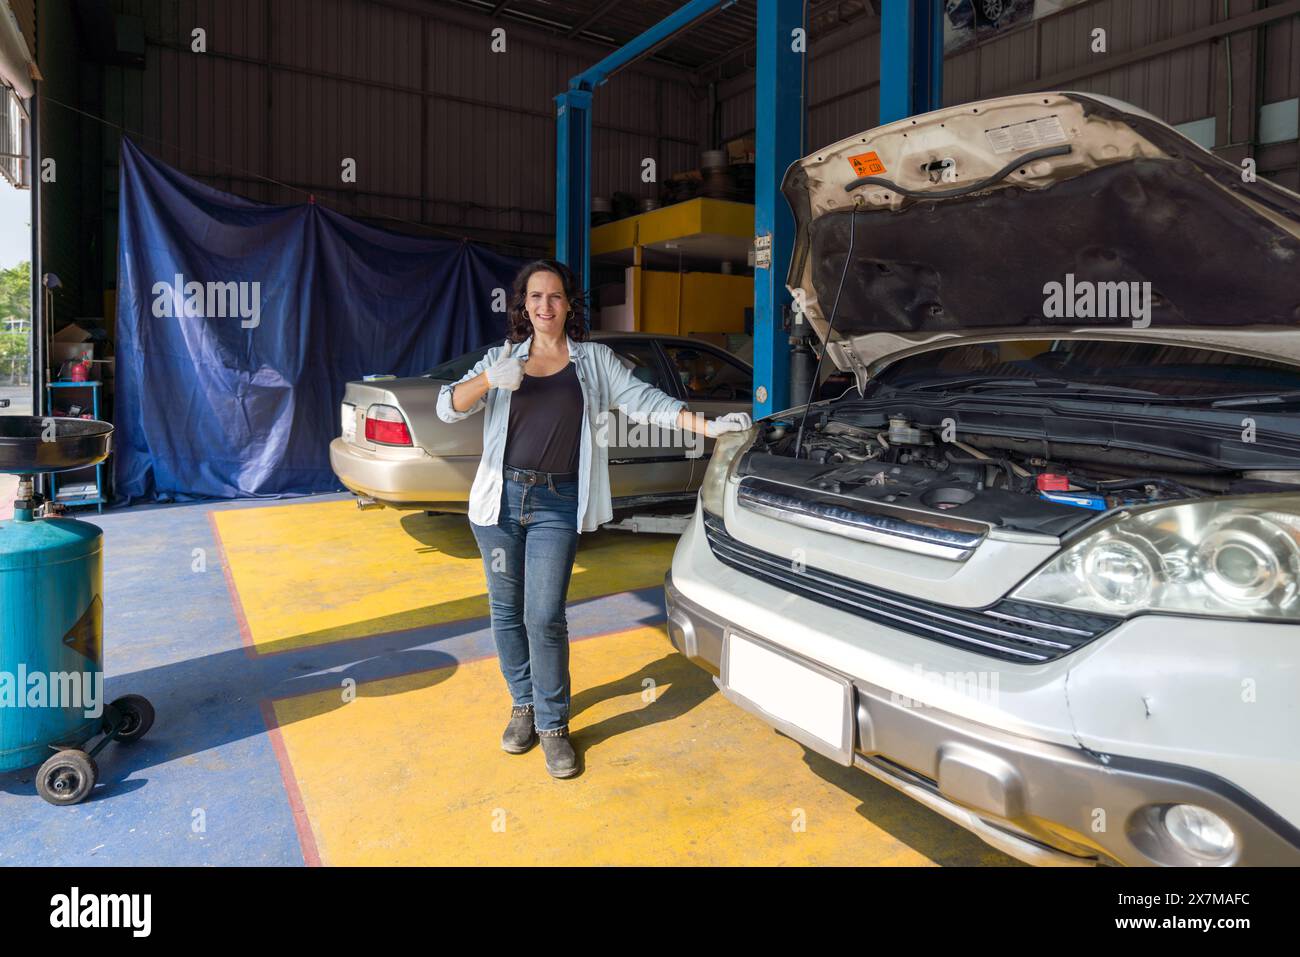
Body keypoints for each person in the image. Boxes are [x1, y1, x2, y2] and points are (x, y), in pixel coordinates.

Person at [437, 259, 752, 778]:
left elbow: (646, 403)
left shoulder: (594, 361)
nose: (545, 306)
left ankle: (555, 724)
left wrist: (708, 427)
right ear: (523, 305)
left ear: (568, 304)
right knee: (506, 612)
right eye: (535, 297)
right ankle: (524, 707)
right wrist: (491, 380)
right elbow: (450, 406)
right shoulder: (501, 358)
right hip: (499, 502)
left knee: (545, 616)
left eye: (555, 297)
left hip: (556, 503)